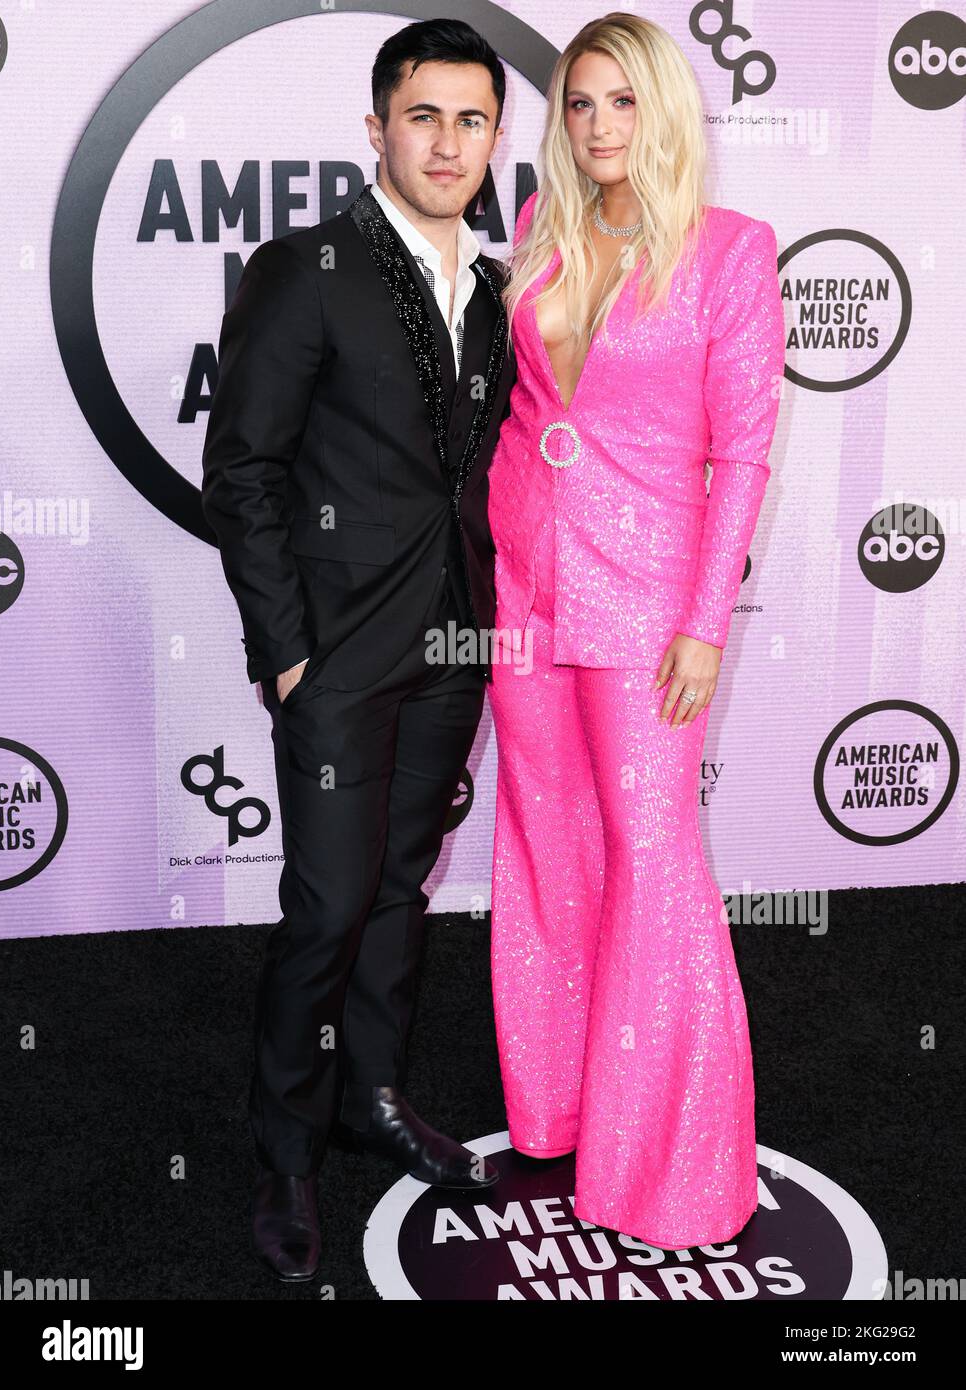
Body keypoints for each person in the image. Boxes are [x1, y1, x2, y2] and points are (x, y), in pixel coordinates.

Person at [201, 18, 516, 1282]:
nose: (447, 143)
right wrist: (285, 654)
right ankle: (284, 1149)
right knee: (326, 904)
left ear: (498, 139)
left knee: (398, 890)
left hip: (453, 642)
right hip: (333, 656)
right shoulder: (306, 268)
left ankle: (368, 1099)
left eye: (472, 120)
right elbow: (243, 473)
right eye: (423, 116)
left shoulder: (495, 289)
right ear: (376, 127)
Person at [486, 13, 785, 1250]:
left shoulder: (727, 251)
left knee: (653, 868)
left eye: (620, 102)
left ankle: (667, 1172)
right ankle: (556, 1114)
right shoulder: (537, 231)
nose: (598, 127)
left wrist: (704, 625)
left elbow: (744, 449)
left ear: (661, 109)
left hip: (649, 602)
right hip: (521, 591)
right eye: (577, 105)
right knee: (544, 854)